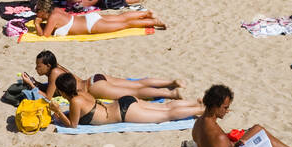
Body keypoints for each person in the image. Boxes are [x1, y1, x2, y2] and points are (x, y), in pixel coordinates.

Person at [41, 72, 203, 129]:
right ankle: (195, 104)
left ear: (62, 91)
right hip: (124, 102)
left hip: (124, 112)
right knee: (166, 108)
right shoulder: (81, 92)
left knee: (167, 114)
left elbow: (73, 125)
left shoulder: (75, 102)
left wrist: (57, 112)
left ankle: (199, 109)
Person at [25, 50, 186, 101]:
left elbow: (48, 97)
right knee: (136, 84)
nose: (36, 68)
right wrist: (37, 82)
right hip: (95, 78)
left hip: (93, 87)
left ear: (47, 65)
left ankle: (171, 93)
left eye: (39, 66)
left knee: (134, 93)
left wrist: (32, 85)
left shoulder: (53, 74)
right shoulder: (57, 67)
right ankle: (172, 82)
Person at [36, 0, 165, 37]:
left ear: (43, 11)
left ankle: (154, 22)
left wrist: (37, 24)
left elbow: (45, 35)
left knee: (126, 24)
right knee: (120, 18)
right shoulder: (57, 10)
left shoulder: (53, 17)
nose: (36, 14)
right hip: (90, 18)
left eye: (37, 12)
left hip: (91, 26)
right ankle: (146, 14)